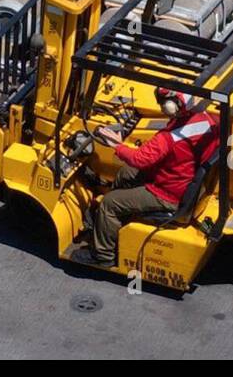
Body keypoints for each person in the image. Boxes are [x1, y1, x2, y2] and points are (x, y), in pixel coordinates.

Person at [73, 88, 220, 268]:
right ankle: (107, 226)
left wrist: (118, 146)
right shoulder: (206, 119)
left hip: (168, 194)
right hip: (184, 181)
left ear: (170, 106)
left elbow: (139, 159)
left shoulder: (168, 138)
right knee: (126, 173)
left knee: (109, 203)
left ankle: (103, 255)